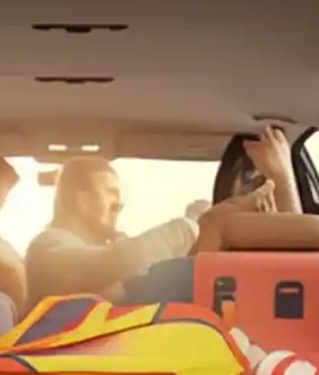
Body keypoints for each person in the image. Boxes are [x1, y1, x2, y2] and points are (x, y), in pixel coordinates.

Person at [23, 126, 301, 304]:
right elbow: (117, 262)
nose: (120, 204)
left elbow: (304, 268)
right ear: (81, 199)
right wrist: (198, 225)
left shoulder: (117, 250)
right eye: (110, 193)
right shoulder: (47, 248)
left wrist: (282, 179)